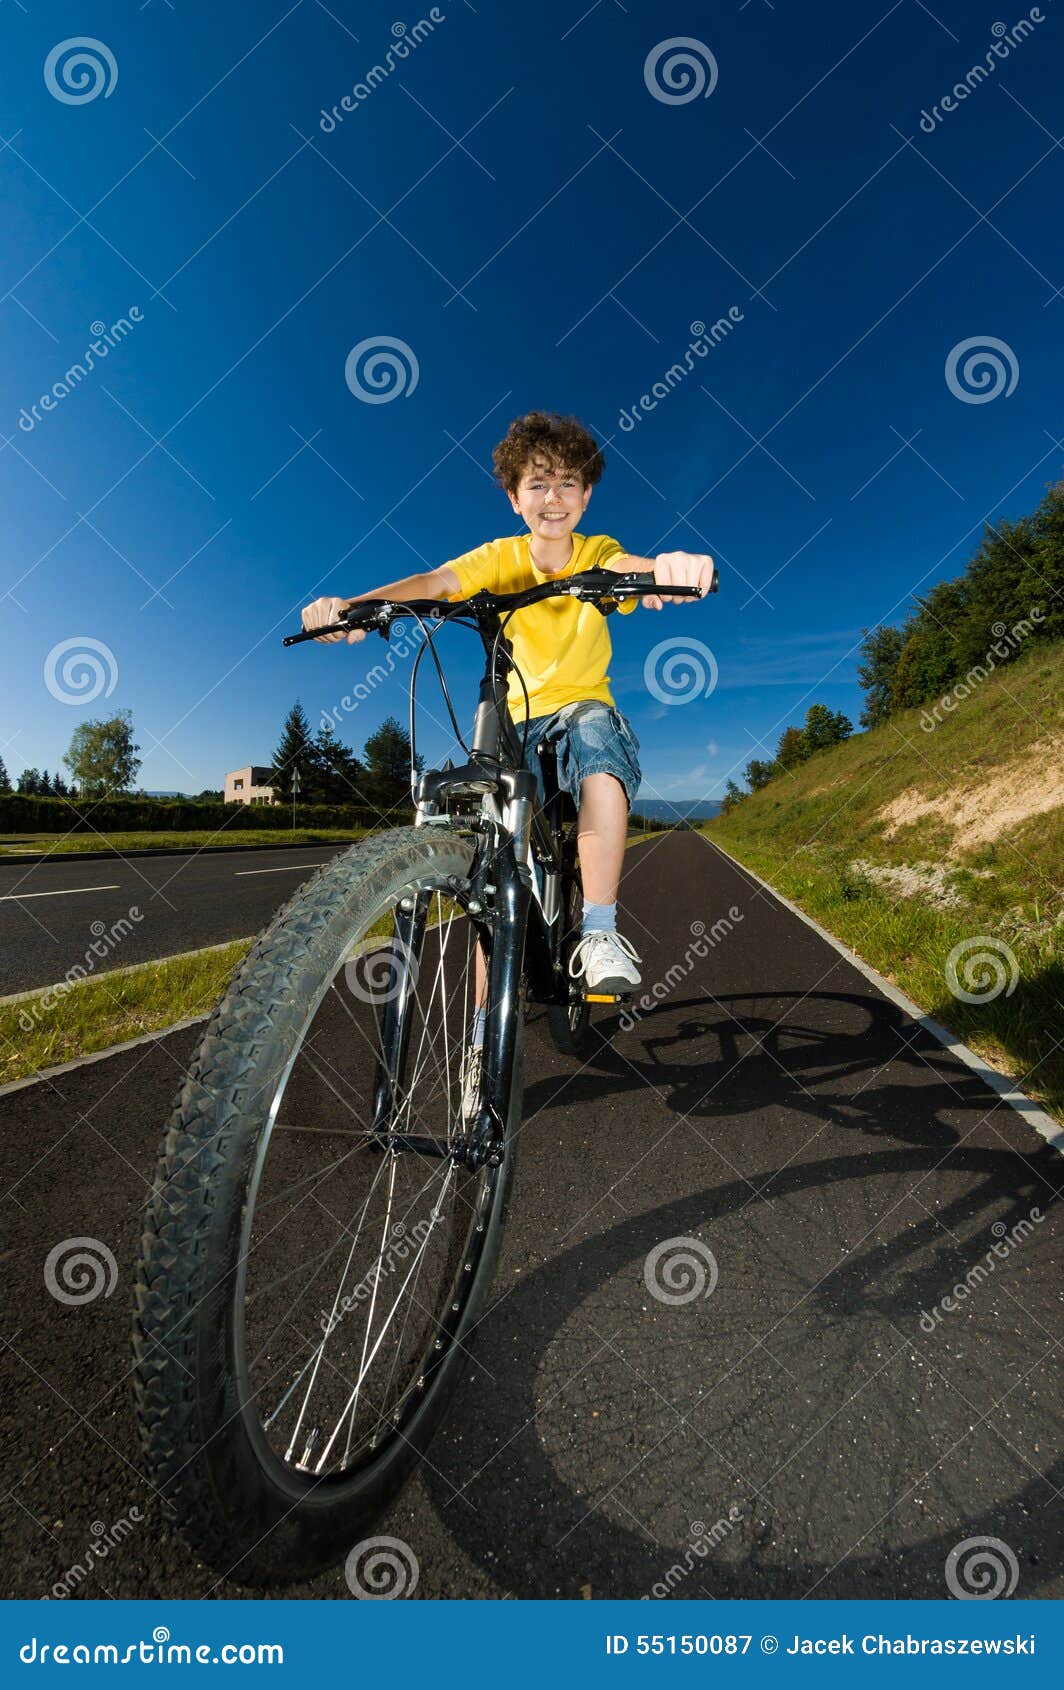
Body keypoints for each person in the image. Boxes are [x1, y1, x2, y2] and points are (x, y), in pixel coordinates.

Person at [301, 410, 714, 1111]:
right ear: (514, 498)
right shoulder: (499, 558)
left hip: (580, 710)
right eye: (538, 483)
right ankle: (479, 1055)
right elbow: (434, 582)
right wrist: (358, 607)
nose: (554, 497)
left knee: (598, 755)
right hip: (514, 717)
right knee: (494, 891)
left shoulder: (595, 554)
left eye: (569, 484)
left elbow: (632, 571)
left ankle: (601, 930)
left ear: (585, 498)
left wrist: (670, 569)